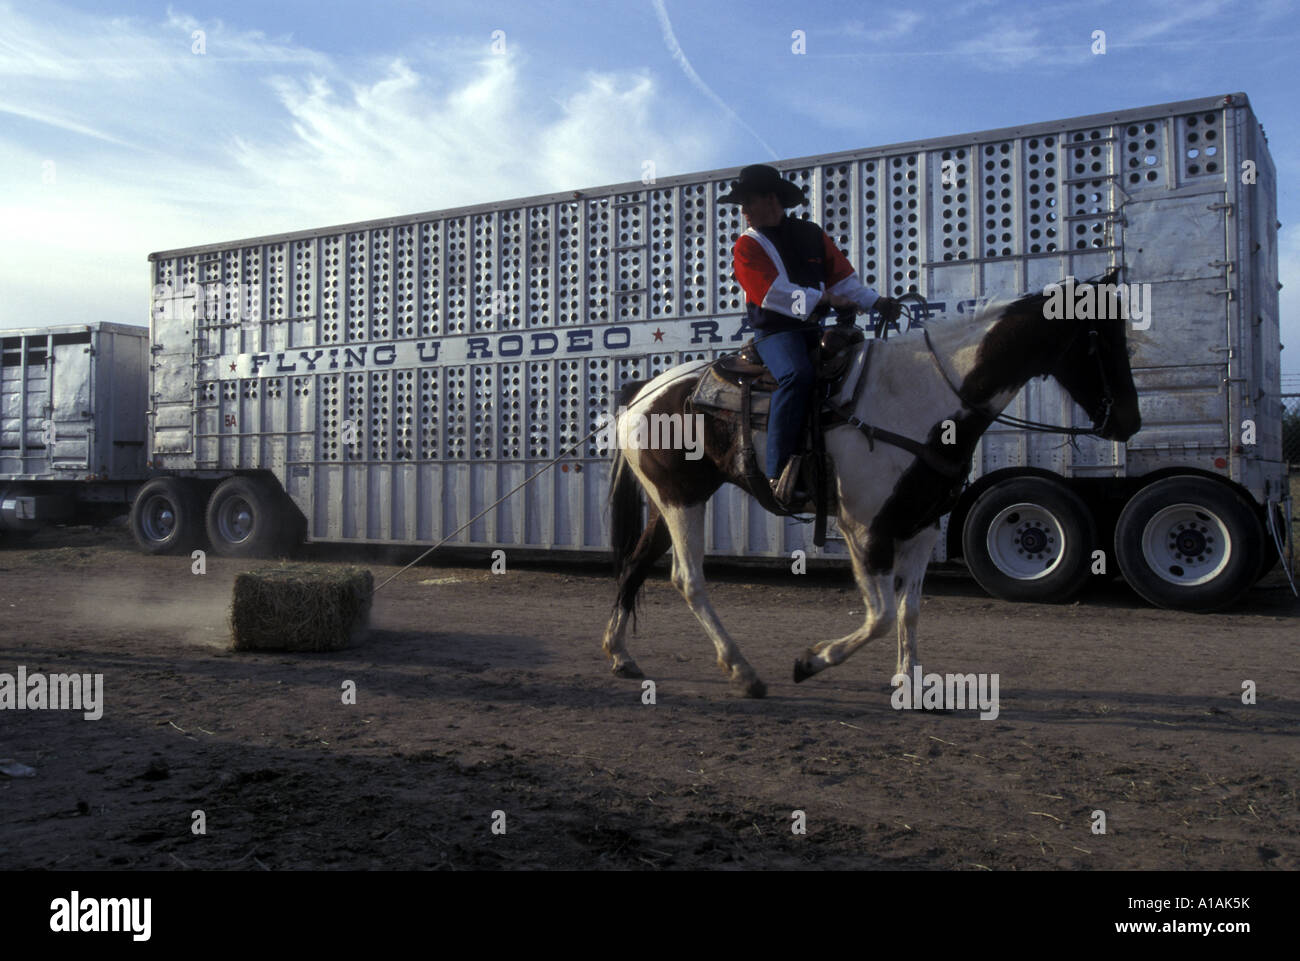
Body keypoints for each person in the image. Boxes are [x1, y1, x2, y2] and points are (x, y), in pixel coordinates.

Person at [719, 164, 900, 508]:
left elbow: (844, 281)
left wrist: (877, 302)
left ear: (771, 199)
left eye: (747, 202)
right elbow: (772, 293)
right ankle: (778, 472)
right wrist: (826, 299)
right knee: (797, 375)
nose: (742, 211)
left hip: (812, 329)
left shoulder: (811, 234)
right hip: (775, 331)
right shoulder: (747, 245)